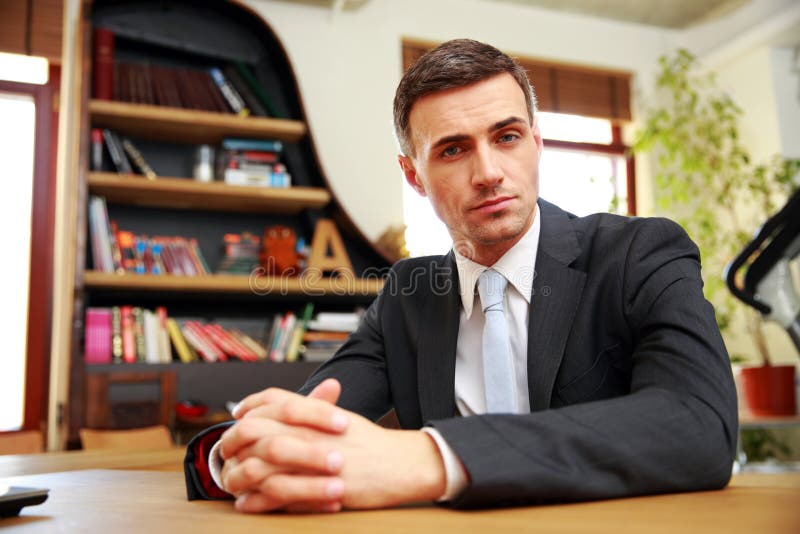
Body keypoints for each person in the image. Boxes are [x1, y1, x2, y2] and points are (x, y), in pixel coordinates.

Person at [184, 39, 738, 513]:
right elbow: (304, 427)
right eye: (452, 150)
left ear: (537, 142)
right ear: (414, 175)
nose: (490, 172)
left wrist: (433, 457)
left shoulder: (640, 254)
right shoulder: (406, 295)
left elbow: (699, 426)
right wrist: (236, 453)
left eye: (507, 136)